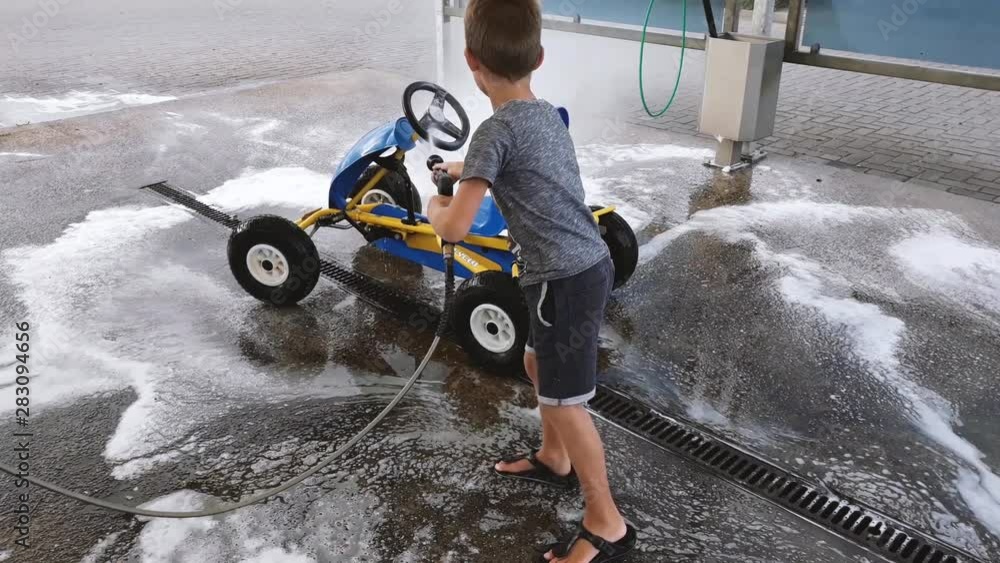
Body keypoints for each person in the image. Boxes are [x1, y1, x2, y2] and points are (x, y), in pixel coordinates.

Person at [425, 1, 637, 561]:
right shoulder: (542, 114)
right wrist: (463, 170)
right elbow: (518, 168)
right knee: (538, 365)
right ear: (538, 58)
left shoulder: (495, 133)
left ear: (471, 60)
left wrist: (433, 204)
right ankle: (554, 459)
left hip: (561, 282)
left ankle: (606, 523)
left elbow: (457, 226)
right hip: (583, 265)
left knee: (568, 402)